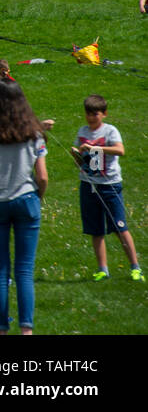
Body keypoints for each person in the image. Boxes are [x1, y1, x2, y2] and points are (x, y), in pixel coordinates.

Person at [0, 77, 48, 334]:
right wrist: (38, 197)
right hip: (27, 200)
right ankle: (27, 330)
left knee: (0, 271)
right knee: (24, 271)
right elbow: (43, 176)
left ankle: (2, 329)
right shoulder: (34, 131)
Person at [72, 95, 142, 282]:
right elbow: (80, 162)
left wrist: (95, 148)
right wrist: (77, 154)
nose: (91, 118)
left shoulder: (110, 131)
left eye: (95, 114)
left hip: (110, 185)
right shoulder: (82, 131)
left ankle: (135, 267)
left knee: (120, 227)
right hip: (89, 184)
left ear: (104, 114)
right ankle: (102, 269)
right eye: (88, 114)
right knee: (96, 230)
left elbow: (120, 150)